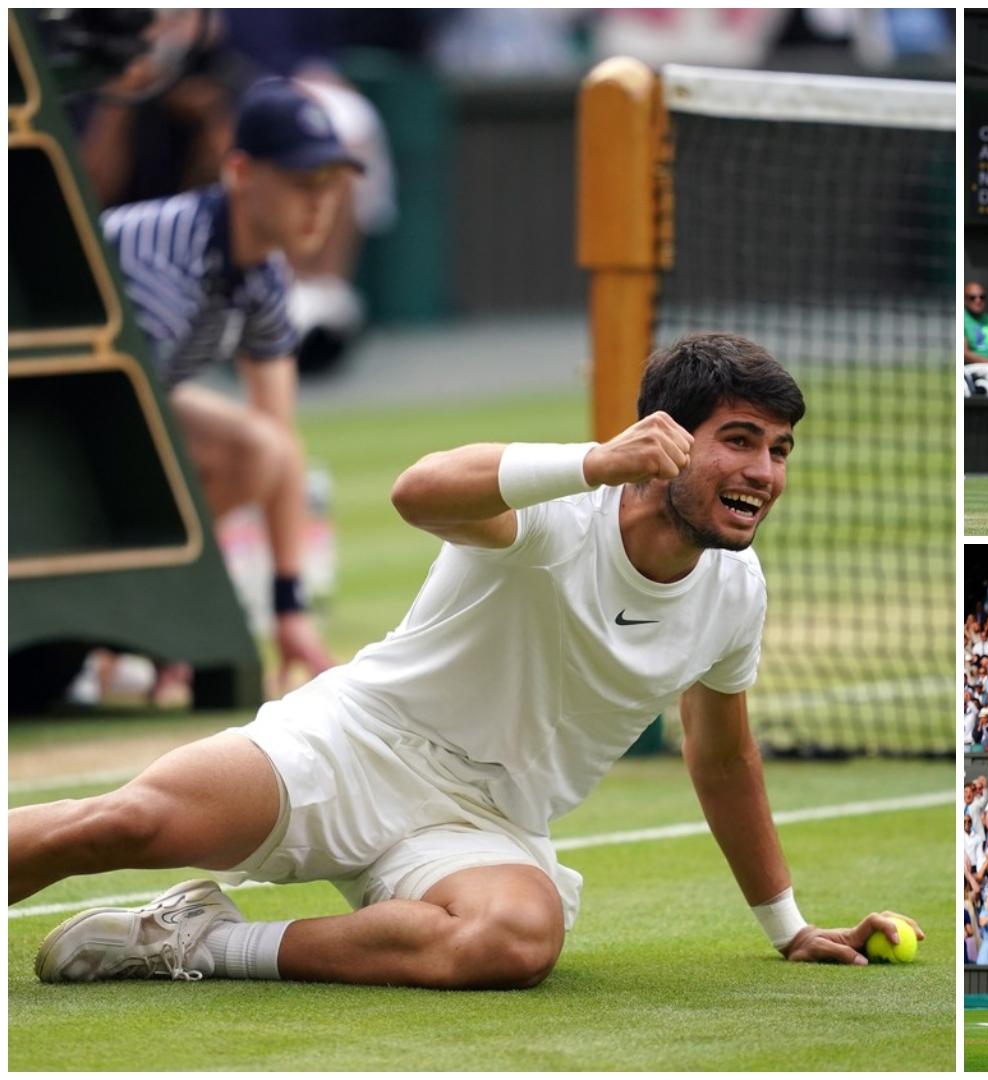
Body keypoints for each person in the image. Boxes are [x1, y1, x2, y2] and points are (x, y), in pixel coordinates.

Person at [18, 333, 920, 987]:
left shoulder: (737, 593)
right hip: (357, 744)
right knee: (117, 824)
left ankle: (197, 942)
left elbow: (723, 757)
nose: (765, 472)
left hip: (485, 824)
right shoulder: (562, 509)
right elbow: (418, 491)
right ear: (667, 437)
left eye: (779, 450)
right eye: (741, 440)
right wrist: (594, 460)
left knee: (517, 942)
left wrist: (788, 926)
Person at [95, 78, 343, 705]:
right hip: (42, 414)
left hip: (107, 412)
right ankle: (107, 634)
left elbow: (280, 441)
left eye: (330, 182)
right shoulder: (165, 259)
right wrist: (160, 615)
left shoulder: (264, 270)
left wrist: (289, 608)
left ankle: (130, 623)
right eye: (301, 181)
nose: (319, 203)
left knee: (260, 450)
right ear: (240, 173)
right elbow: (118, 436)